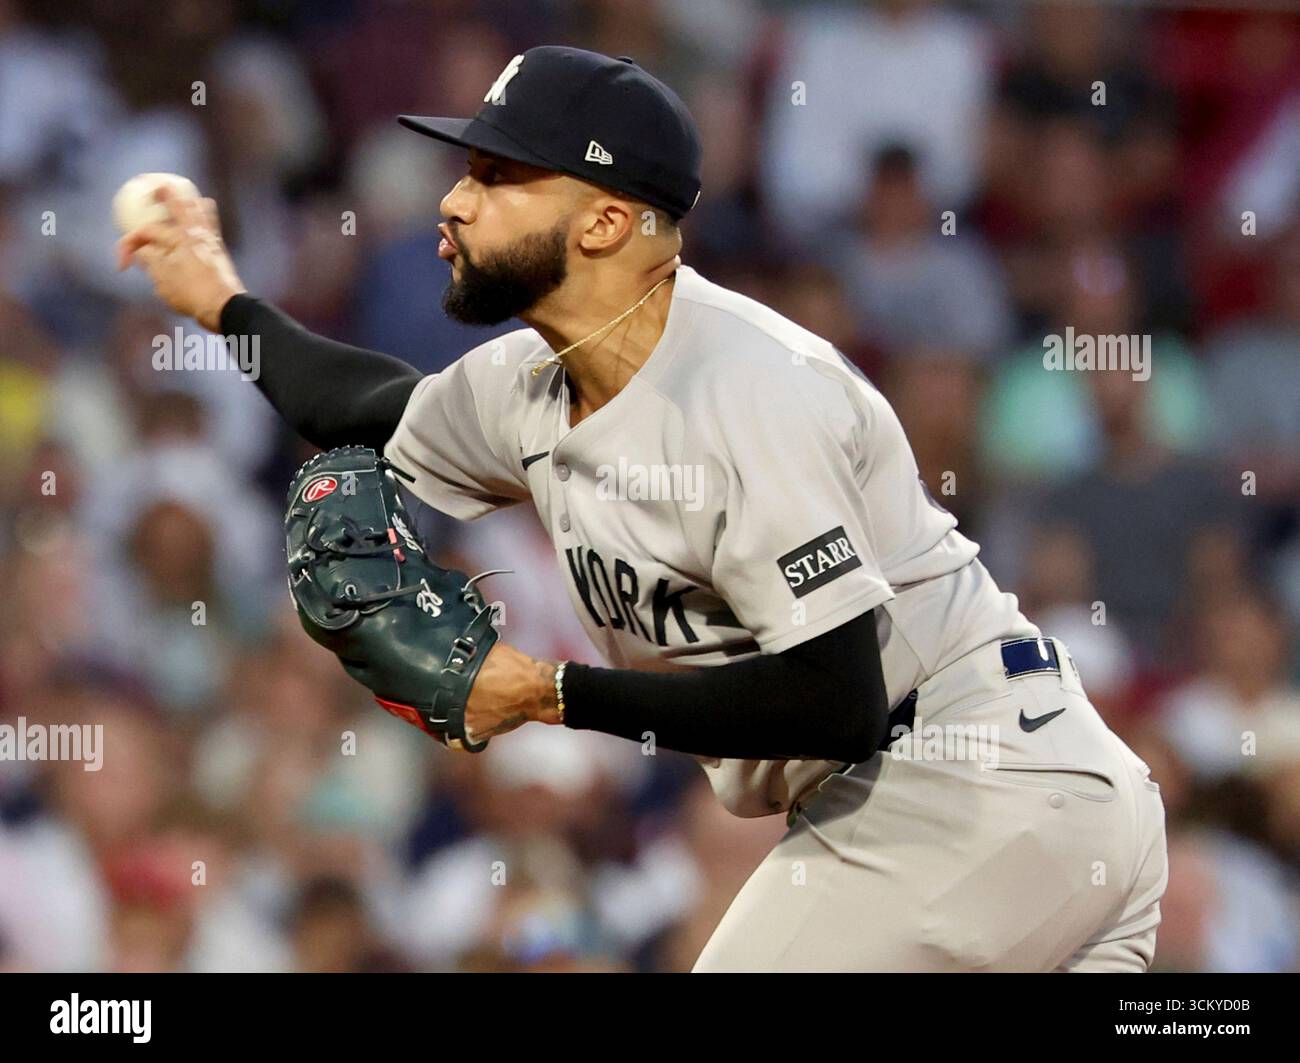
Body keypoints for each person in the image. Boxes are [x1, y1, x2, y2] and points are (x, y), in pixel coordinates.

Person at [119, 45, 1167, 972]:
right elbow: (360, 406)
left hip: (962, 782)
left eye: (495, 175)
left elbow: (836, 698)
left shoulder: (749, 392)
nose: (454, 201)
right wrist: (218, 297)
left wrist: (545, 693)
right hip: (1022, 808)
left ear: (607, 219)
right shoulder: (533, 381)